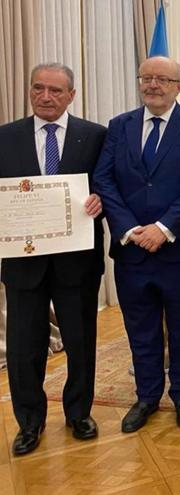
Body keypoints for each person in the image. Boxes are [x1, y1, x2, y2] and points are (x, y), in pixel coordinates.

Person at [93, 56, 180, 434]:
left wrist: (163, 228)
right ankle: (146, 395)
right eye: (146, 78)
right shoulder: (119, 126)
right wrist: (130, 229)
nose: (153, 85)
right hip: (131, 250)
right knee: (140, 328)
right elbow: (104, 180)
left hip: (178, 249)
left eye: (163, 79)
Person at [0, 63, 106, 456]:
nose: (46, 97)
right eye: (38, 89)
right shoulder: (5, 137)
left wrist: (102, 202)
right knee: (24, 345)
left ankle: (79, 412)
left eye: (56, 91)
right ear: (30, 91)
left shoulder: (94, 136)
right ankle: (29, 422)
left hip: (76, 261)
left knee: (80, 341)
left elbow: (109, 185)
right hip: (24, 263)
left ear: (71, 95)